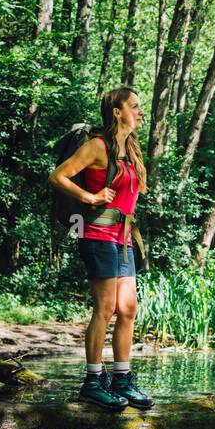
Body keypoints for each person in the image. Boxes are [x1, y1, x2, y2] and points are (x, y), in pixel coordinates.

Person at [48, 86, 155, 411]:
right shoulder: (97, 146)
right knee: (106, 309)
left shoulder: (131, 148)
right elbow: (58, 176)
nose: (140, 112)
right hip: (96, 235)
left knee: (128, 310)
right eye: (134, 107)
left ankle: (122, 379)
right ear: (117, 111)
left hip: (124, 238)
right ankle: (92, 382)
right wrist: (90, 197)